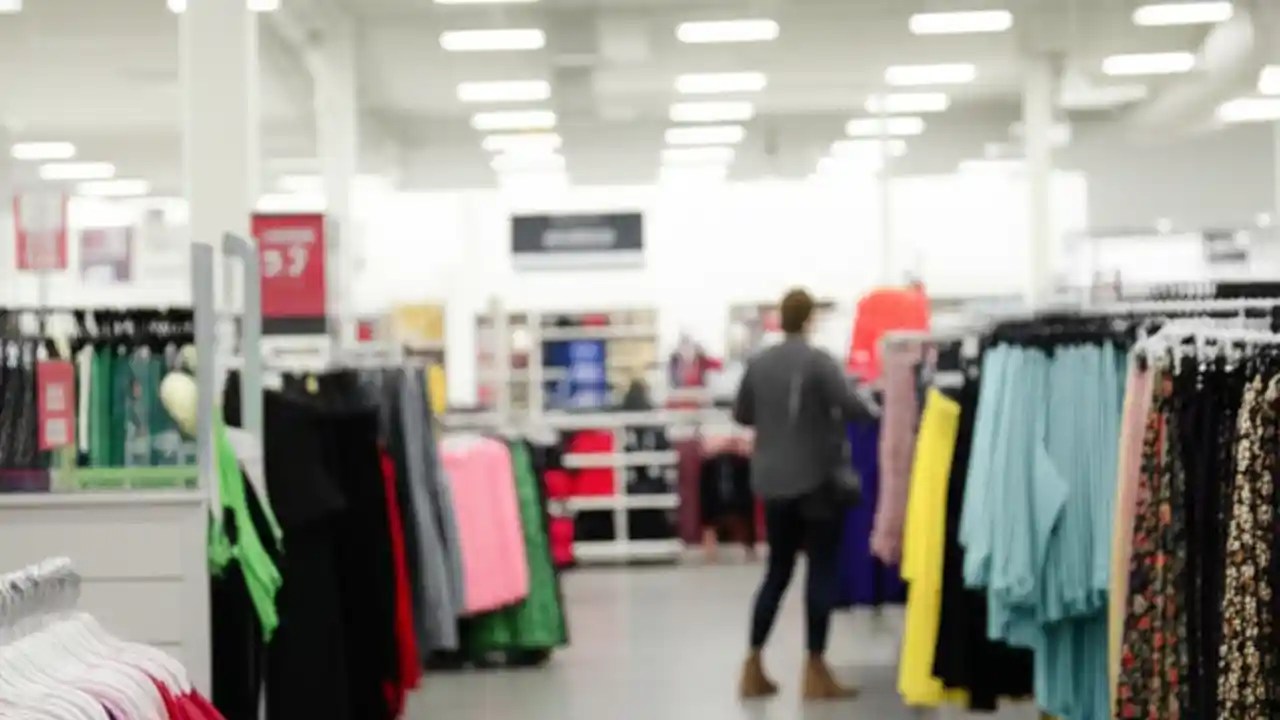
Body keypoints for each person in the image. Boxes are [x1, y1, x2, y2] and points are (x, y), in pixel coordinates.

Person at [732, 288, 879, 701]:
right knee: (821, 571)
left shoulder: (758, 363)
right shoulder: (818, 362)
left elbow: (742, 414)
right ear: (810, 318)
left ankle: (753, 664)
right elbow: (852, 406)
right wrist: (878, 409)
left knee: (777, 573)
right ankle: (815, 671)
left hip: (772, 483)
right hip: (816, 481)